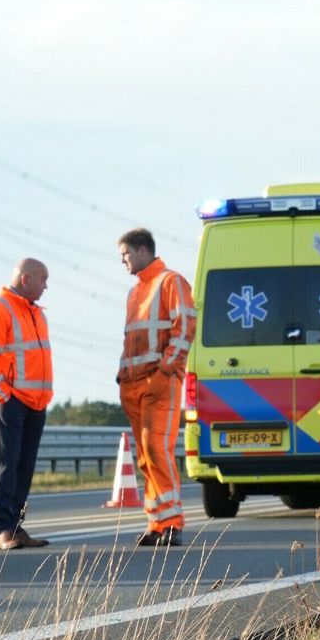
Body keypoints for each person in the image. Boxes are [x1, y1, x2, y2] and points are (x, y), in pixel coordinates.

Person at [117, 228, 196, 547]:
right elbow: (131, 339)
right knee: (145, 457)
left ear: (142, 250)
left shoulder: (170, 282)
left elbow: (185, 328)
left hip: (160, 381)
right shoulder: (135, 292)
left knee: (157, 449)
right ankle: (157, 522)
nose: (122, 260)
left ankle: (172, 522)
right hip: (134, 384)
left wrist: (165, 372)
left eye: (125, 254)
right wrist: (121, 376)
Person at [0, 258, 53, 550]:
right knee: (8, 465)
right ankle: (3, 530)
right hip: (10, 401)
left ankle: (17, 527)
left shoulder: (35, 313)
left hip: (35, 402)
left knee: (24, 467)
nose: (46, 286)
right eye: (42, 279)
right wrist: (2, 394)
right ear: (26, 278)